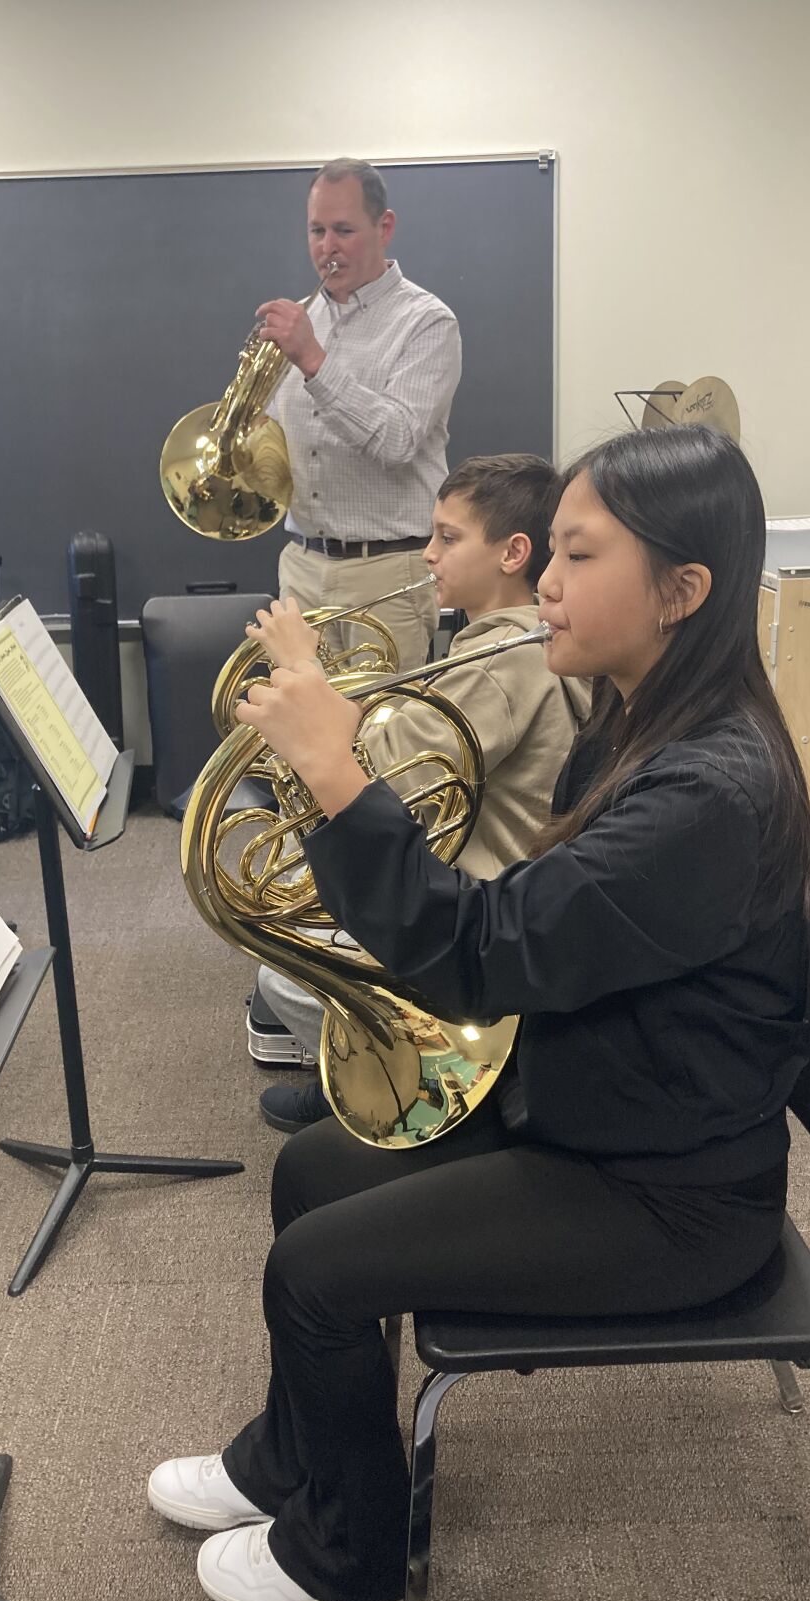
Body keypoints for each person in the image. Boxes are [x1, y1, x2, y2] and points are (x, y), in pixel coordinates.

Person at [148, 424, 810, 1601]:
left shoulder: (705, 791)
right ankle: (288, 1458)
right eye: (545, 551)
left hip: (670, 1194)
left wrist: (341, 776)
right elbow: (533, 939)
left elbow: (482, 955)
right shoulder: (635, 718)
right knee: (308, 1172)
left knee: (313, 1274)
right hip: (594, 1099)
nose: (543, 583)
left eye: (575, 555)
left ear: (680, 590)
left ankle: (346, 1550)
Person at [250, 452, 591, 1133]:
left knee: (278, 971)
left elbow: (374, 783)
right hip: (492, 896)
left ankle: (383, 1062)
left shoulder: (498, 660)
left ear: (512, 552)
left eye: (447, 537)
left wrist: (302, 670)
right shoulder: (513, 641)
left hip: (470, 921)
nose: (427, 554)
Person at [256, 158, 461, 672]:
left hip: (388, 571)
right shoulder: (303, 321)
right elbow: (276, 443)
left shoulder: (427, 322)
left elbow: (397, 439)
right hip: (302, 565)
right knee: (300, 728)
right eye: (318, 231)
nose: (328, 247)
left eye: (344, 230)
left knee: (380, 738)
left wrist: (313, 361)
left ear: (384, 227)